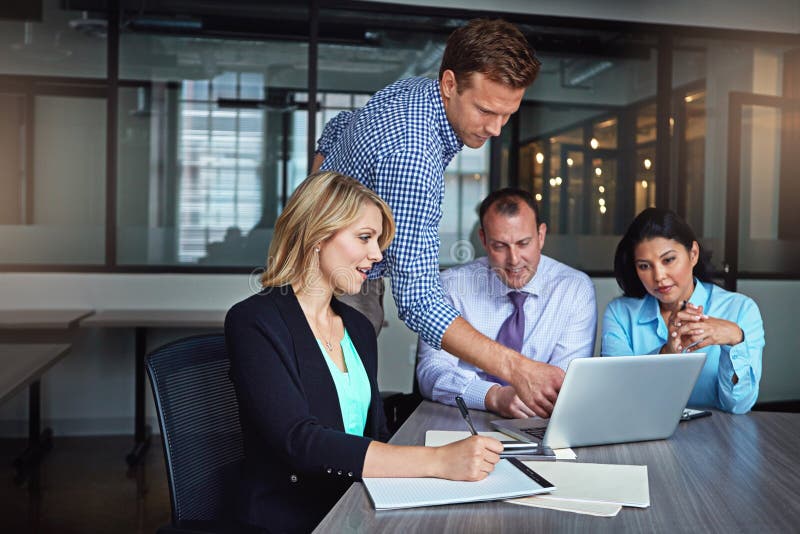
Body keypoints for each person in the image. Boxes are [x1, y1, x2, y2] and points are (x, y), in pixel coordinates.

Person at [225, 171, 503, 533]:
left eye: (378, 241)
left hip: (360, 503)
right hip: (294, 518)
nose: (377, 255)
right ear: (318, 235)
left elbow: (375, 433)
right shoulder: (254, 321)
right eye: (365, 238)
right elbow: (300, 442)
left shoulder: (356, 327)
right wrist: (436, 461)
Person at [314, 18, 563, 418]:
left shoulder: (414, 90)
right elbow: (418, 298)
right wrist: (518, 368)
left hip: (332, 269)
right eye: (485, 111)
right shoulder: (414, 153)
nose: (497, 129)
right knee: (337, 420)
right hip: (334, 287)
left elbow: (339, 126)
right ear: (450, 84)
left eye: (507, 114)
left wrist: (314, 199)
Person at [417, 188, 597, 419]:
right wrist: (492, 396)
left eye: (523, 243)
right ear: (483, 240)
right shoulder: (452, 286)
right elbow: (431, 372)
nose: (513, 260)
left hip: (539, 421)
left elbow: (565, 382)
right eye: (500, 246)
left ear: (541, 236)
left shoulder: (574, 289)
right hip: (463, 416)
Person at [601, 208, 764, 414]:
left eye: (668, 260)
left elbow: (738, 406)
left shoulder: (740, 310)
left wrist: (735, 339)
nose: (659, 276)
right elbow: (617, 397)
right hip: (643, 437)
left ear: (693, 254)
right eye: (644, 266)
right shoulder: (620, 313)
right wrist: (667, 353)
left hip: (716, 439)